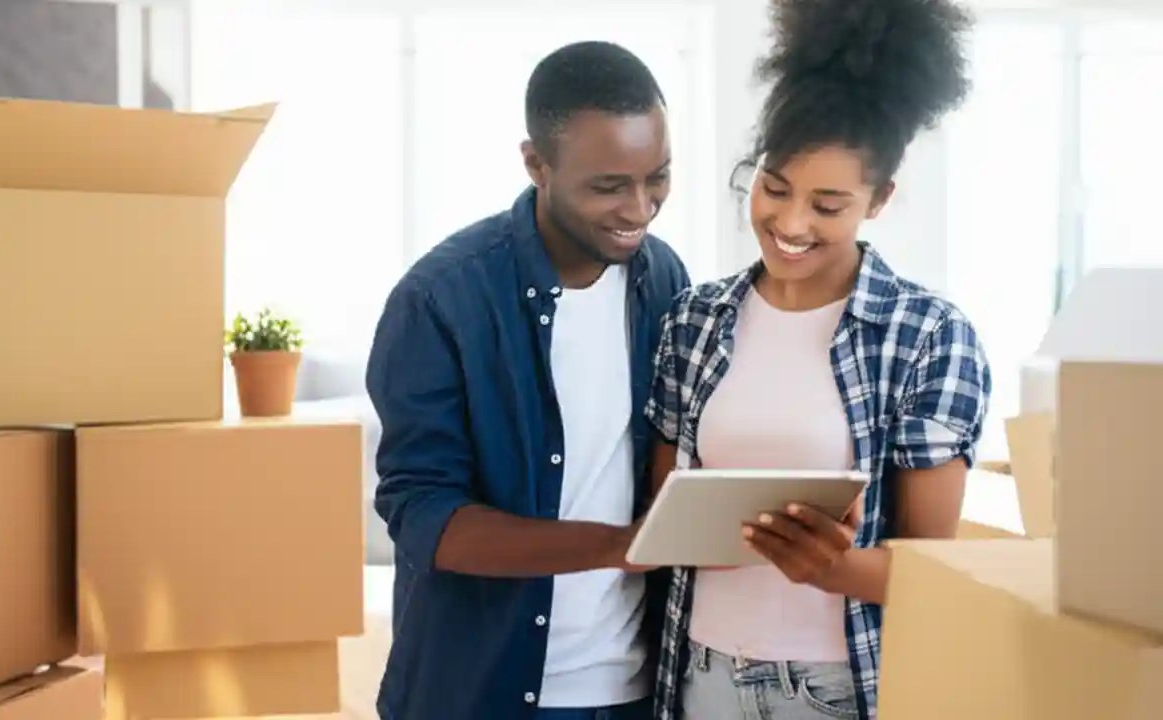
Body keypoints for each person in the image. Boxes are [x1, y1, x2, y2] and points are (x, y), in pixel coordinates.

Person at [644, 1, 990, 719]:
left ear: (879, 199)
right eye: (775, 188)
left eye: (828, 205)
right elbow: (661, 516)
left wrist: (833, 567)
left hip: (835, 687)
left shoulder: (929, 335)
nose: (791, 224)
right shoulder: (695, 320)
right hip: (700, 668)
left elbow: (931, 569)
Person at [366, 40, 690, 720]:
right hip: (482, 691)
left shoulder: (664, 280)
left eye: (657, 177)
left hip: (636, 688)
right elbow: (424, 515)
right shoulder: (440, 299)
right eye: (608, 186)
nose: (640, 209)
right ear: (536, 164)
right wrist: (614, 546)